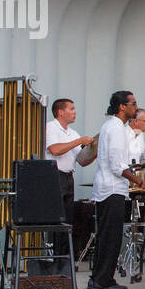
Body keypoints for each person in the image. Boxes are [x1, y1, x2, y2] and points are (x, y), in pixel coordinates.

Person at [90, 91, 145, 289]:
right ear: (122, 107)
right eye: (133, 104)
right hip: (112, 189)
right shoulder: (116, 129)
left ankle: (102, 278)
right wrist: (140, 182)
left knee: (109, 236)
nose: (136, 107)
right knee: (110, 237)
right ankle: (101, 280)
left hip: (112, 188)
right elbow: (118, 165)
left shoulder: (115, 126)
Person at [43, 98, 95, 271]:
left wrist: (95, 150)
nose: (74, 112)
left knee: (68, 221)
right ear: (60, 112)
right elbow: (55, 150)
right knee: (57, 220)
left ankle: (65, 259)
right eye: (71, 109)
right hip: (53, 175)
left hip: (68, 177)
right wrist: (79, 141)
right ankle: (55, 259)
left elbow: (82, 161)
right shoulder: (51, 127)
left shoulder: (72, 132)